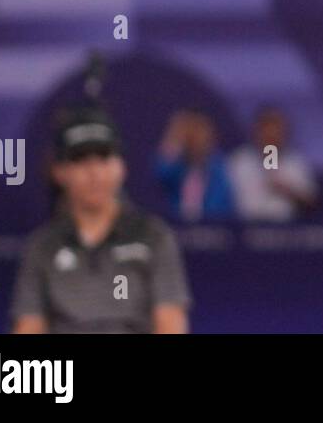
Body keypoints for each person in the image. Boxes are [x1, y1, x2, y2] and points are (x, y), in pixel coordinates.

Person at [11, 109, 191, 333]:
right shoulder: (41, 247)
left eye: (104, 158)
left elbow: (171, 325)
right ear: (59, 171)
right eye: (81, 160)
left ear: (122, 167)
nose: (95, 173)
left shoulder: (154, 237)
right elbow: (28, 327)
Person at [227, 106, 317, 222]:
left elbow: (311, 201)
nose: (270, 135)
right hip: (245, 228)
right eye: (266, 129)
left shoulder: (294, 162)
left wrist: (288, 190)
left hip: (285, 229)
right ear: (256, 131)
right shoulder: (240, 161)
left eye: (276, 130)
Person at [154, 110, 235, 222]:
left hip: (212, 229)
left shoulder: (220, 167)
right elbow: (160, 173)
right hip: (177, 228)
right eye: (192, 135)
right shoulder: (176, 167)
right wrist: (174, 135)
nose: (197, 140)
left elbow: (222, 206)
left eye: (201, 133)